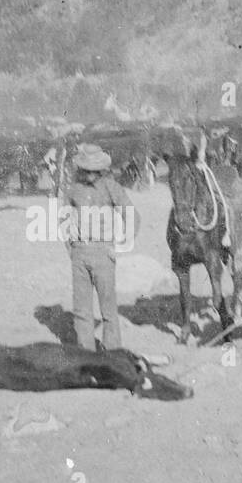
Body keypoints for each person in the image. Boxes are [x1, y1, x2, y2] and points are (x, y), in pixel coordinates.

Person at [65, 144, 137, 352]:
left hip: (103, 253)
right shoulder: (74, 189)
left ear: (101, 170)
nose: (89, 174)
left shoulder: (111, 187)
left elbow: (132, 216)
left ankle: (112, 350)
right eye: (86, 170)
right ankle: (86, 352)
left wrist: (120, 247)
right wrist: (70, 246)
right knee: (81, 310)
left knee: (108, 309)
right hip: (79, 253)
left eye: (93, 170)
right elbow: (63, 217)